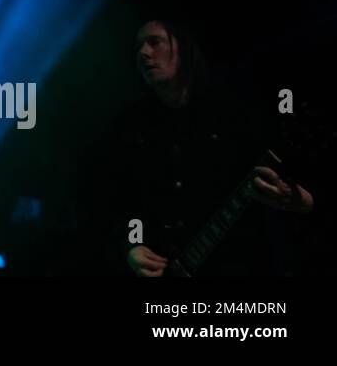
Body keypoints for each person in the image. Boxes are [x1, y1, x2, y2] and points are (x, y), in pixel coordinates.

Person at [116, 19, 315, 277]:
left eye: (155, 42)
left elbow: (294, 181)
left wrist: (298, 197)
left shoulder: (233, 107)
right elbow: (122, 203)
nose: (143, 53)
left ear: (183, 47)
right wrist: (132, 245)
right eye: (138, 47)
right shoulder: (136, 130)